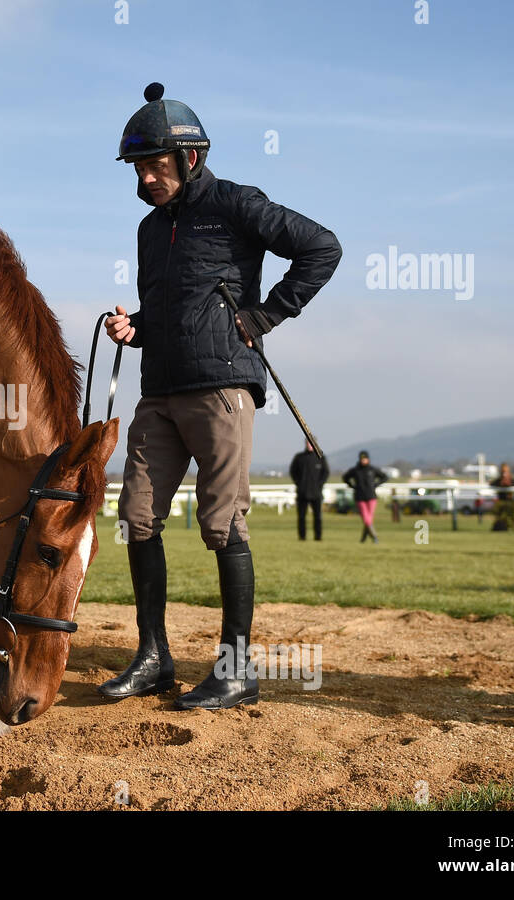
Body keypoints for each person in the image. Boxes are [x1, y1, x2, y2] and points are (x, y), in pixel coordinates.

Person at [99, 83, 341, 711]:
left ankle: (236, 670)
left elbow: (322, 248)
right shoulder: (150, 230)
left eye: (157, 164)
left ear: (191, 158)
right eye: (140, 166)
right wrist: (135, 328)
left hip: (223, 388)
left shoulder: (238, 205)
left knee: (221, 524)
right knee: (136, 517)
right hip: (160, 391)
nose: (148, 176)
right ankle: (153, 657)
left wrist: (265, 318)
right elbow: (163, 311)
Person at [343, 451, 387, 543]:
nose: (363, 460)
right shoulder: (355, 470)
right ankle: (375, 537)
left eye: (365, 458)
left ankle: (363, 538)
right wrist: (352, 485)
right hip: (360, 497)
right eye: (362, 459)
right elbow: (345, 477)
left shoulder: (372, 469)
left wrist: (376, 484)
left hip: (371, 497)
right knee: (366, 519)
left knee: (369, 519)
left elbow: (384, 477)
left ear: (368, 459)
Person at [289, 441, 328, 540]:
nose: (309, 445)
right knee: (301, 517)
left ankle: (318, 537)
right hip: (302, 492)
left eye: (311, 443)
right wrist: (299, 483)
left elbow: (325, 472)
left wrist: (320, 484)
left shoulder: (320, 457)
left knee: (317, 517)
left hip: (316, 492)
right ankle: (302, 537)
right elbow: (293, 471)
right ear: (305, 444)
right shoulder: (299, 457)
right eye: (308, 443)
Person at [490, 463, 514, 532]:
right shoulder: (499, 479)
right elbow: (493, 483)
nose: (504, 473)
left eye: (505, 471)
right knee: (499, 516)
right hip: (501, 501)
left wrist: (506, 481)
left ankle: (507, 528)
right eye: (503, 471)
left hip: (508, 501)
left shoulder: (511, 479)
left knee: (507, 516)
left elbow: (513, 484)